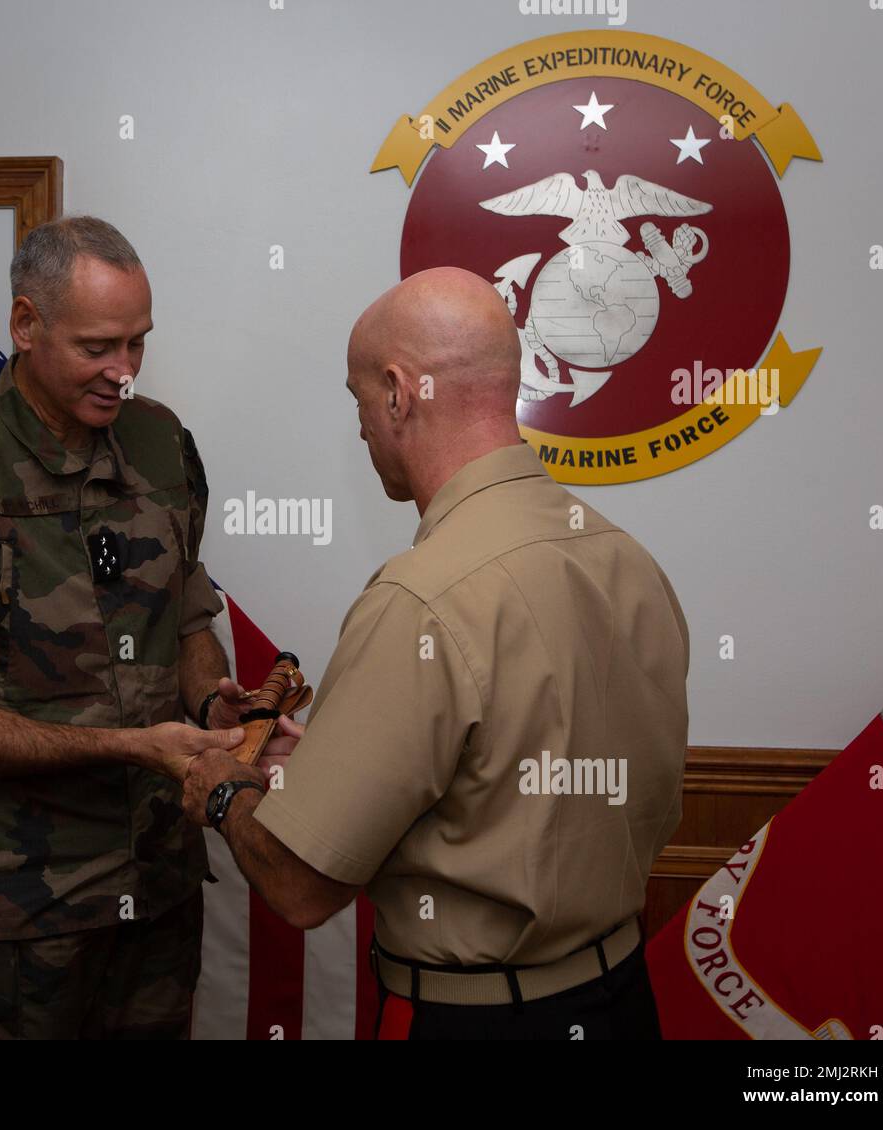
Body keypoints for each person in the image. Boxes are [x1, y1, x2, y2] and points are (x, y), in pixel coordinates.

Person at [179, 265, 691, 1040]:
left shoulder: (419, 598)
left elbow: (301, 887)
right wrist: (343, 769)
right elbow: (526, 779)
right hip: (623, 999)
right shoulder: (628, 559)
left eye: (359, 402)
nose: (360, 428)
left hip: (480, 1020)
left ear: (397, 392)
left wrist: (224, 788)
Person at [0, 216, 252, 1039]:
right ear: (25, 324)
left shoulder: (160, 442)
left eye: (138, 344)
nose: (123, 373)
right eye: (98, 347)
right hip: (14, 916)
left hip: (156, 897)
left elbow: (188, 616)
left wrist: (211, 700)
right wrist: (131, 745)